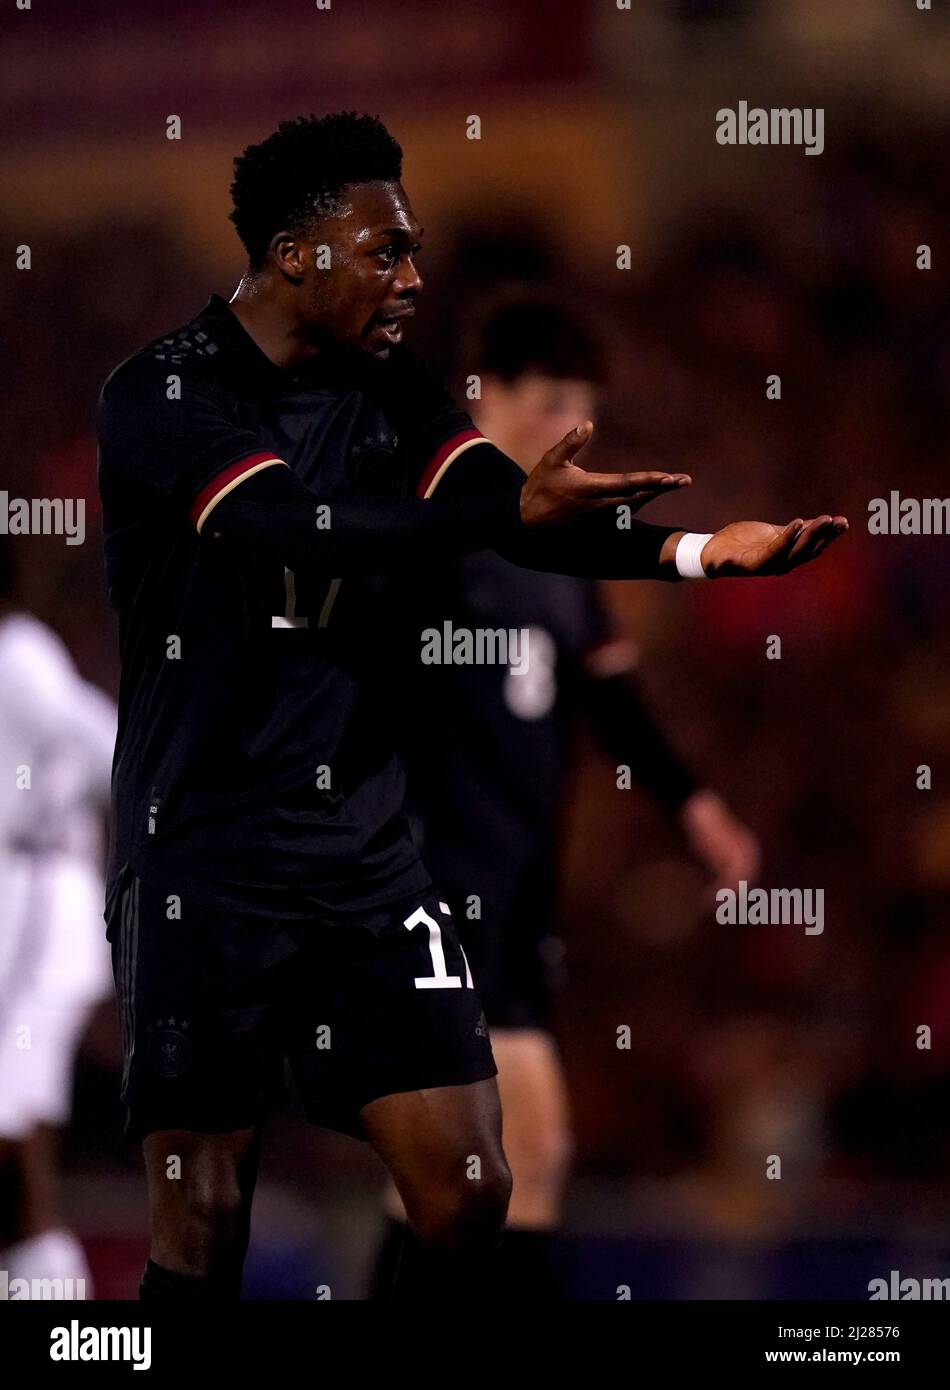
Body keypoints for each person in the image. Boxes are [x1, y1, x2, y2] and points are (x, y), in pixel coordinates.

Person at [94, 111, 846, 1302]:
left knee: (472, 1185)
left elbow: (512, 511)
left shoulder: (393, 389)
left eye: (415, 249)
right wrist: (500, 517)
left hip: (365, 860)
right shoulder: (162, 394)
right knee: (204, 1211)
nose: (411, 277)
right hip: (204, 850)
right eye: (384, 250)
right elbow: (291, 523)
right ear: (295, 254)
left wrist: (698, 553)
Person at [370, 295, 761, 1297]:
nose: (567, 433)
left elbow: (608, 689)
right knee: (517, 1147)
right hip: (429, 890)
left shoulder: (565, 555)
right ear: (482, 397)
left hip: (517, 892)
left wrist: (691, 803)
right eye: (546, 406)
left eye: (581, 413)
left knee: (465, 1176)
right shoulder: (429, 529)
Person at [0, 538, 117, 1296]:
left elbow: (113, 750)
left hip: (38, 913)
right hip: (17, 905)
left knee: (13, 1144)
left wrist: (59, 816)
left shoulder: (17, 654)